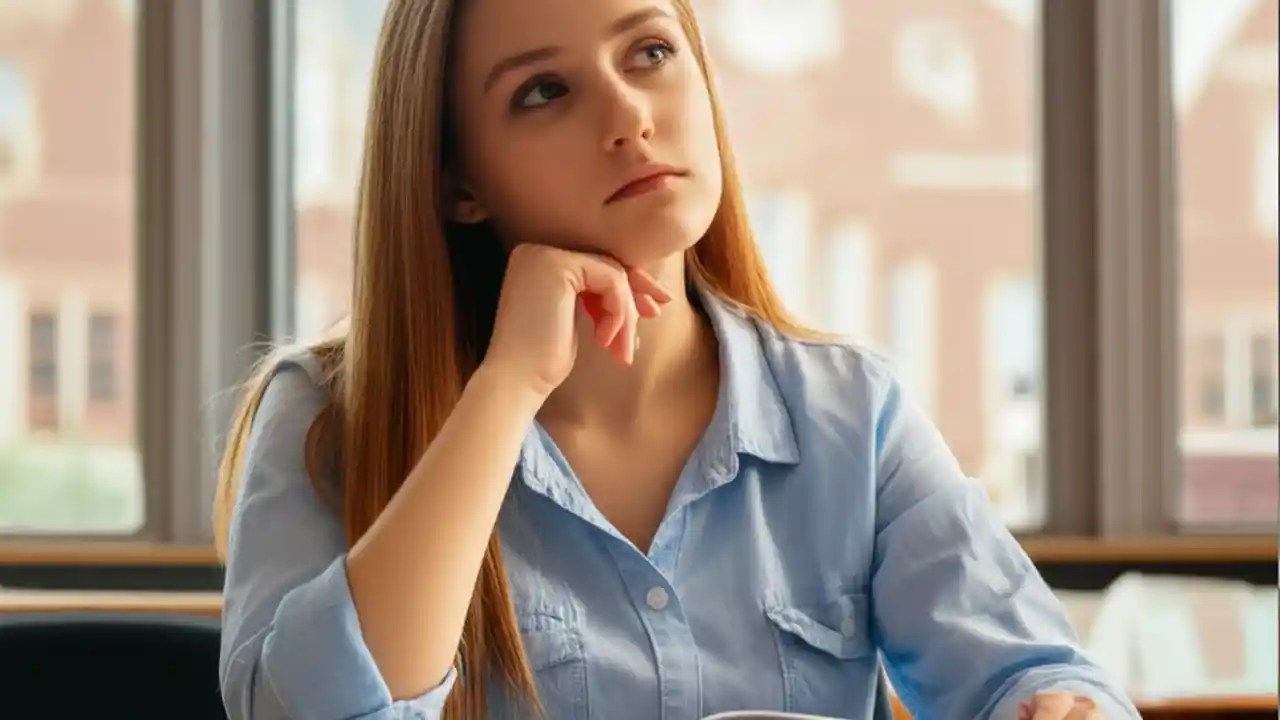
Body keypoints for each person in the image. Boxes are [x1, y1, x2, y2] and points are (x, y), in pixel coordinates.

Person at [215, 0, 1139, 718]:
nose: (628, 115)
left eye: (649, 52)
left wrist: (1057, 705)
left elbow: (1030, 671)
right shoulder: (330, 416)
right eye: (544, 91)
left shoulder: (854, 416)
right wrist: (504, 392)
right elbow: (309, 709)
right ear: (457, 180)